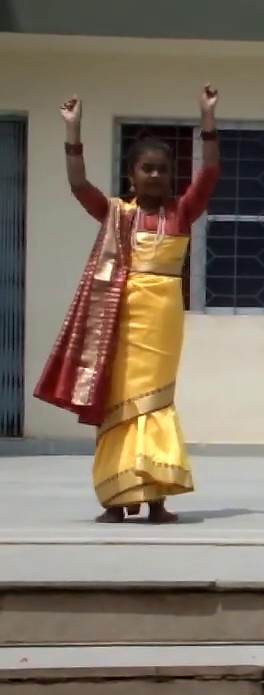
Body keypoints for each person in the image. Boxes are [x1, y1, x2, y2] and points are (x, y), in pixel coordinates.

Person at [35, 86, 222, 523]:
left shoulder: (182, 212)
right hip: (119, 317)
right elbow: (79, 184)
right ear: (132, 176)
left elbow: (210, 172)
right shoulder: (117, 212)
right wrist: (72, 130)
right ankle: (118, 500)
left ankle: (156, 499)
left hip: (163, 319)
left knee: (154, 402)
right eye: (146, 169)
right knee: (118, 403)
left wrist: (207, 119)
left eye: (161, 170)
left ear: (171, 177)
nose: (154, 176)